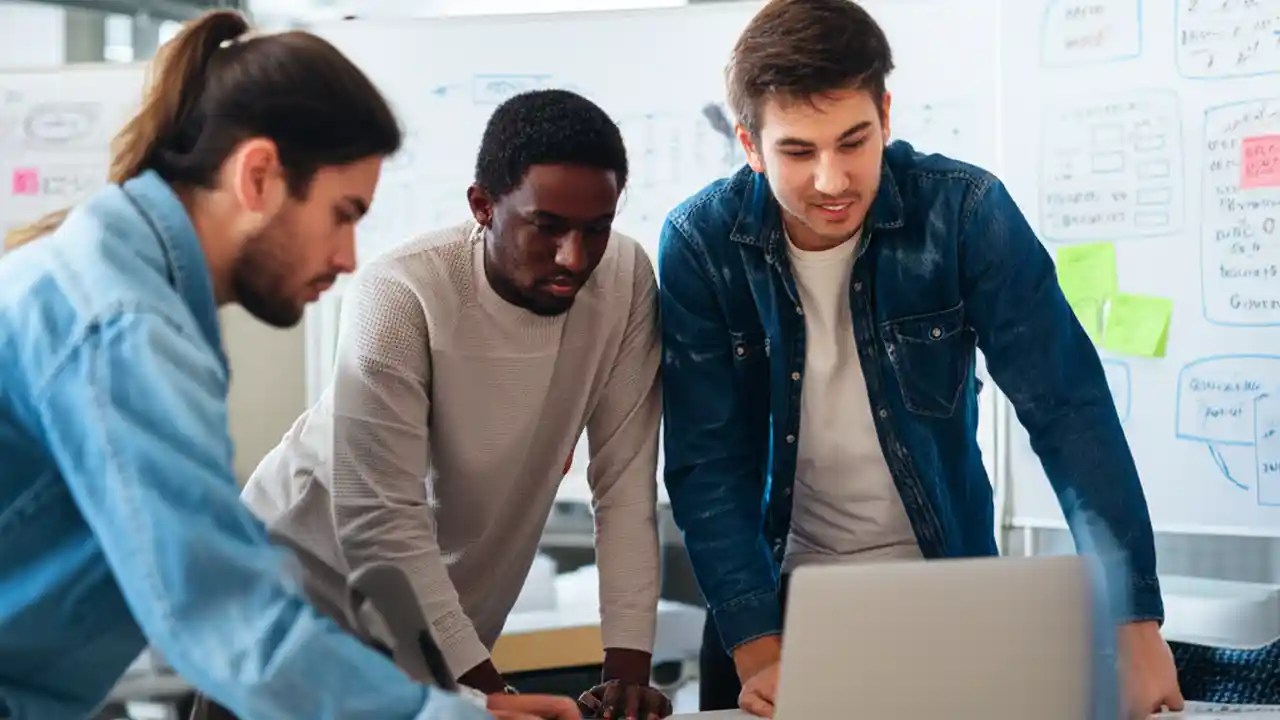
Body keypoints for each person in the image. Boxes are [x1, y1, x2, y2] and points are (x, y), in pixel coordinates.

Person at [0, 11, 579, 720]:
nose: (347, 257)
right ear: (259, 176)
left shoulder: (109, 280)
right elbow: (222, 616)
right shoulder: (128, 326)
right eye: (342, 213)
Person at [656, 1, 1184, 718]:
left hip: (950, 600)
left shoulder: (965, 214)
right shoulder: (701, 243)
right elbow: (706, 463)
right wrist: (761, 653)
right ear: (749, 144)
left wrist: (1133, 623)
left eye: (854, 141)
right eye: (799, 152)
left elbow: (1067, 411)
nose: (834, 180)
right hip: (773, 615)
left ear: (887, 114)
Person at [240, 88, 672, 719]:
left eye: (596, 229)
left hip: (430, 630)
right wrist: (489, 693)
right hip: (292, 602)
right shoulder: (403, 293)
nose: (573, 258)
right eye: (546, 227)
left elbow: (628, 486)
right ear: (483, 205)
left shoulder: (627, 278)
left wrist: (627, 669)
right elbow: (380, 524)